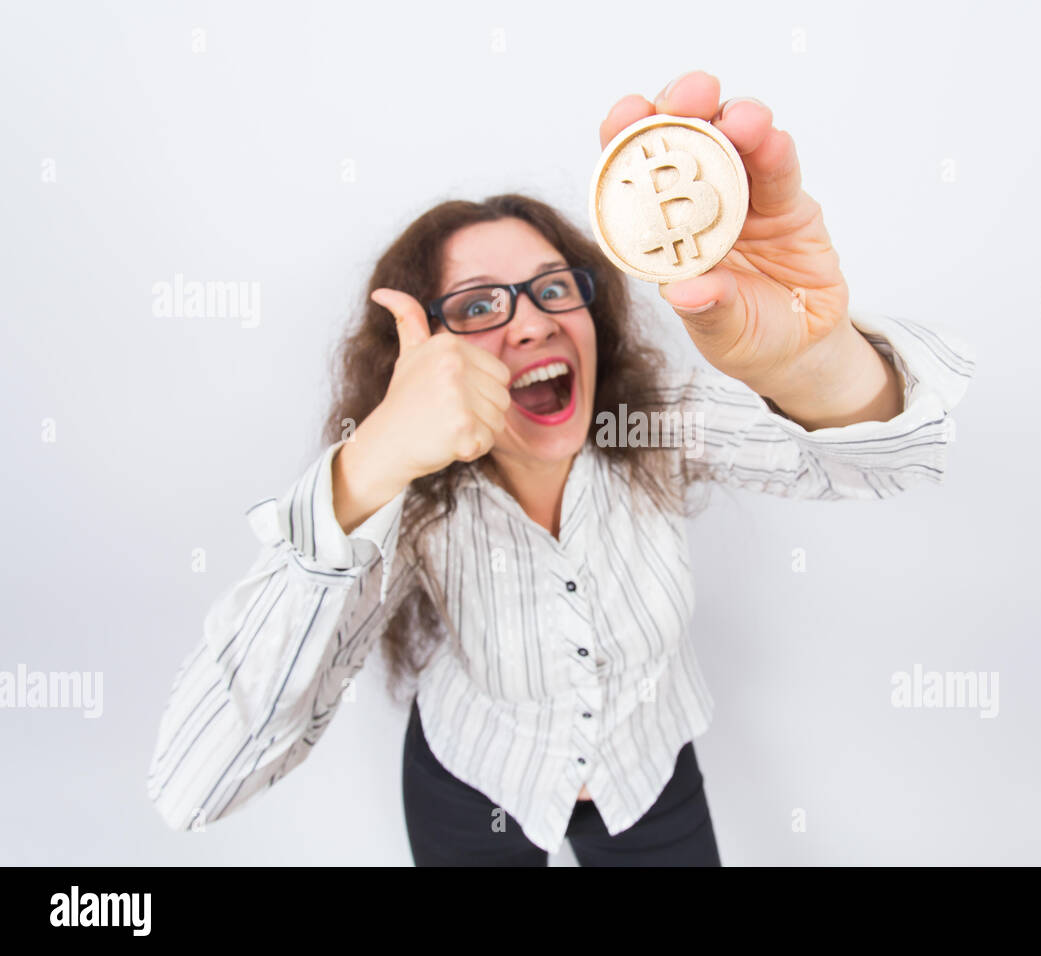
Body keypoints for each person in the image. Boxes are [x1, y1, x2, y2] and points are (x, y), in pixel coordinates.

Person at [145, 70, 976, 865]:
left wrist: (815, 363)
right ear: (417, 358)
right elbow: (193, 788)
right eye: (476, 306)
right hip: (472, 787)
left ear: (594, 311)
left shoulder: (653, 420)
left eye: (553, 288)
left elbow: (890, 467)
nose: (533, 322)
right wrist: (370, 465)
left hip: (648, 783)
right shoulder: (404, 509)